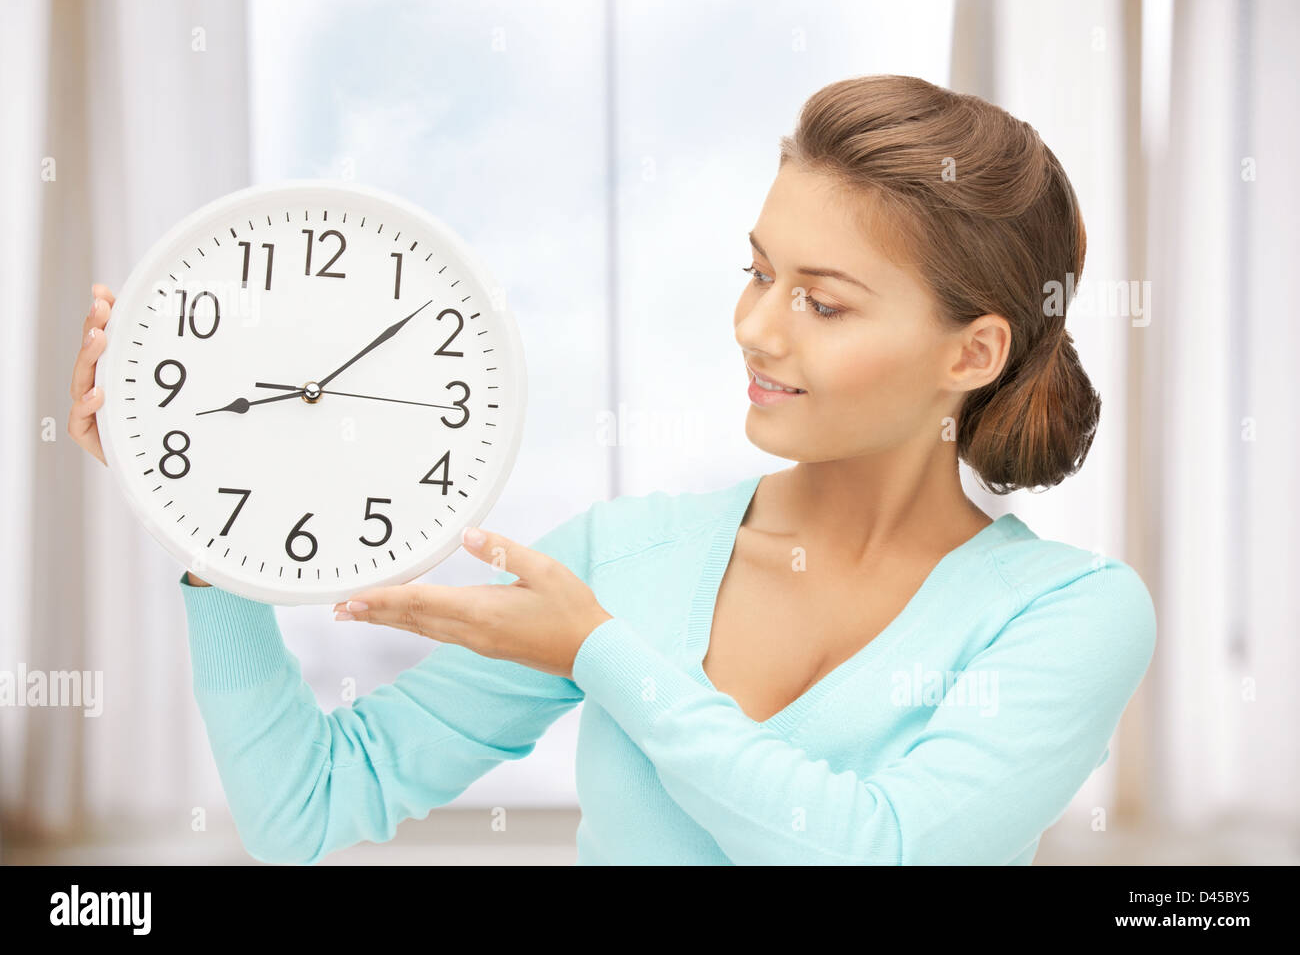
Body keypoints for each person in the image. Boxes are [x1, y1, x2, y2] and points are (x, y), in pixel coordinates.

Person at [67, 73, 1156, 865]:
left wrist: (600, 652)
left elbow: (874, 850)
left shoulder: (1066, 614)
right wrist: (200, 509)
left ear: (972, 352)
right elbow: (302, 806)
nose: (756, 329)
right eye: (758, 272)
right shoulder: (623, 559)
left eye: (821, 302)